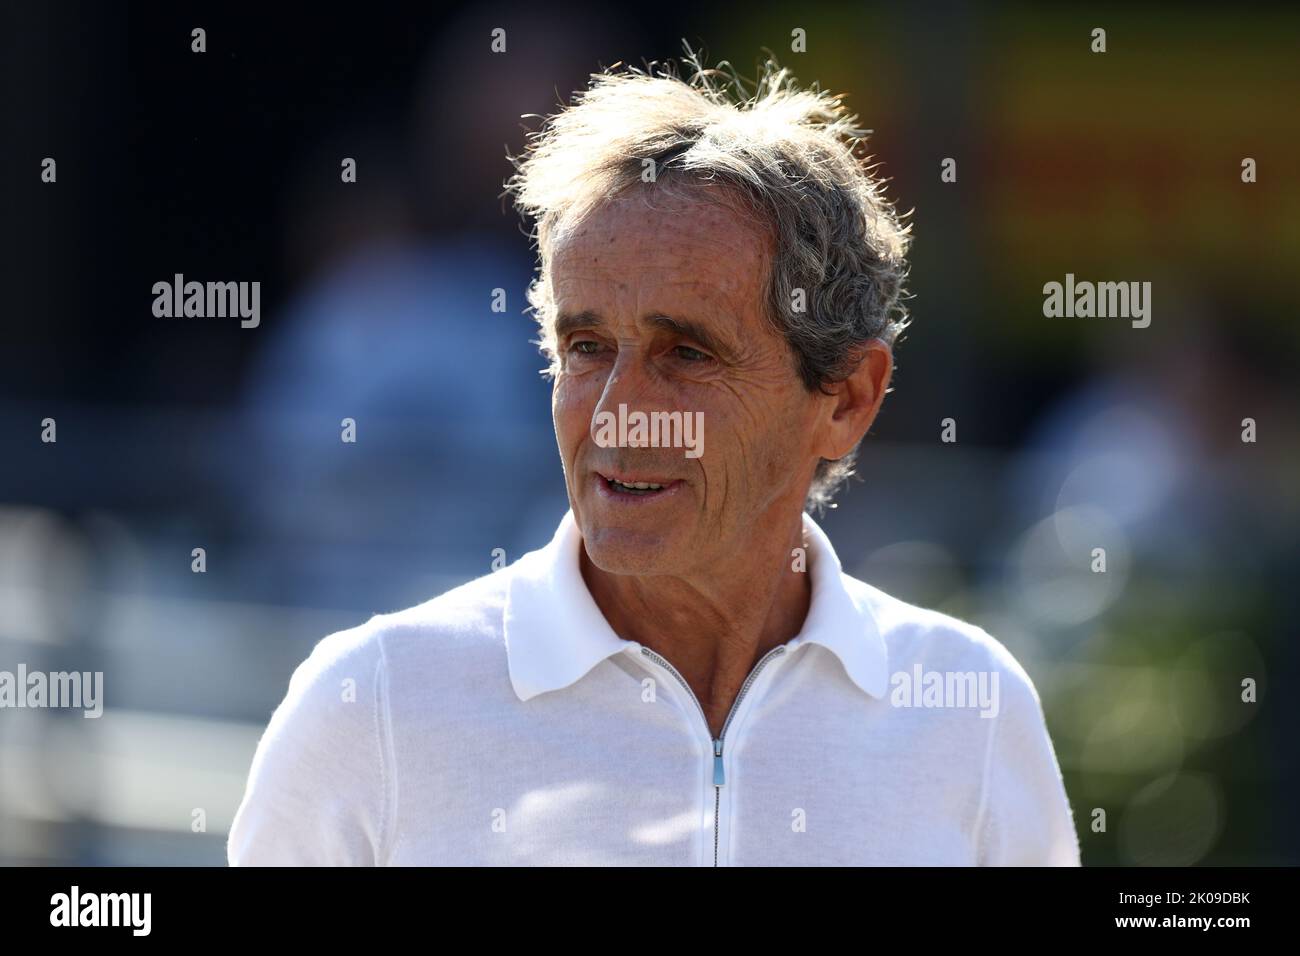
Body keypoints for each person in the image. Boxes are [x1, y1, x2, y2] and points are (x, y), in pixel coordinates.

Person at [228, 53, 1080, 866]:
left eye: (686, 355)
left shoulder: (970, 704)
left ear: (849, 398)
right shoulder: (371, 702)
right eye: (588, 347)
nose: (618, 415)